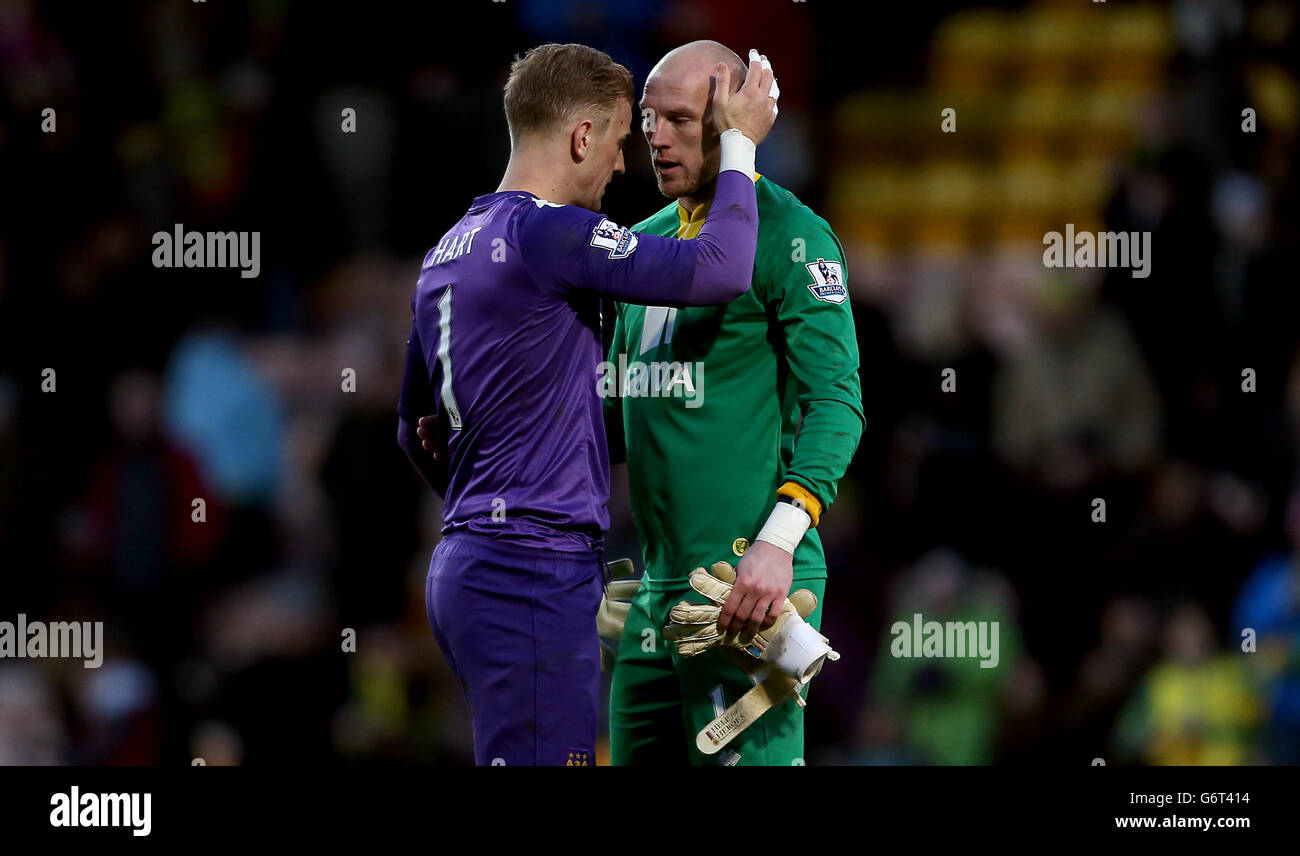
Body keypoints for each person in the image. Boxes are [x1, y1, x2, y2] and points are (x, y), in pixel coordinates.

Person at [396, 42, 778, 766]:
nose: (625, 164)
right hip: (528, 571)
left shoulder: (448, 250)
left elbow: (413, 431)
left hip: (467, 564)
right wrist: (738, 145)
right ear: (581, 137)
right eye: (618, 139)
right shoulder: (548, 233)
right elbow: (721, 268)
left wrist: (490, 508)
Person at [603, 40, 863, 765]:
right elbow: (619, 417)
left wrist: (780, 543)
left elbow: (837, 404)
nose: (655, 136)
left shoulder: (793, 238)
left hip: (751, 588)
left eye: (679, 119)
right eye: (648, 118)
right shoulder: (641, 244)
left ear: (733, 124)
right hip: (653, 596)